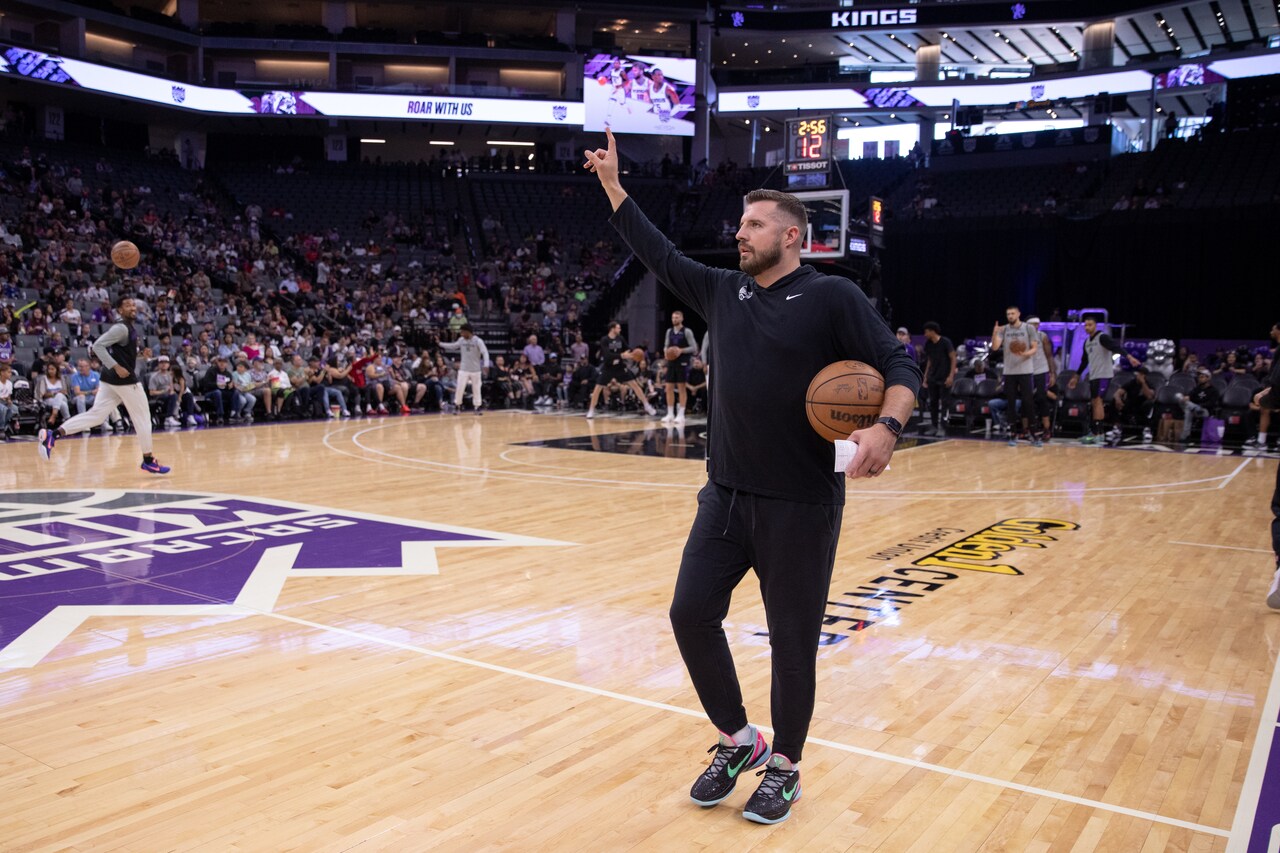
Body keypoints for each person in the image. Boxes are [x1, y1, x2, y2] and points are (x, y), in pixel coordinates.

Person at [584, 128, 921, 825]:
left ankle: (787, 767)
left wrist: (886, 427)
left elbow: (899, 365)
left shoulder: (832, 297)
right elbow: (657, 251)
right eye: (740, 221)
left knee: (792, 641)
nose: (740, 233)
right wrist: (614, 185)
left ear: (792, 236)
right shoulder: (721, 290)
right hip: (726, 495)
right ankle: (739, 739)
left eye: (755, 223)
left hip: (801, 504)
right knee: (689, 612)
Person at [37, 296, 171, 474]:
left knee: (96, 416)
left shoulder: (128, 327)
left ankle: (53, 435)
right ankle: (148, 460)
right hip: (123, 380)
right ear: (119, 310)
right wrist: (116, 366)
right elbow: (97, 346)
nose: (132, 307)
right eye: (127, 305)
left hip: (110, 381)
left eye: (133, 304)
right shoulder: (120, 327)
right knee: (143, 419)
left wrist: (139, 356)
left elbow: (121, 352)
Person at [1077, 315, 1141, 444]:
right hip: (1094, 375)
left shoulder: (1103, 337)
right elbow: (1084, 361)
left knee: (1098, 401)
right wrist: (1077, 375)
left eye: (1090, 324)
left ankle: (1098, 433)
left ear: (1095, 325)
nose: (1087, 327)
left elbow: (1116, 347)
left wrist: (1129, 357)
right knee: (1094, 402)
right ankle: (1095, 432)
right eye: (1086, 325)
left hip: (1103, 374)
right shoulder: (1087, 342)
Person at [991, 306, 1041, 447]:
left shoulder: (1028, 328)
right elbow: (995, 347)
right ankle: (1013, 433)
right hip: (1010, 371)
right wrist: (994, 333)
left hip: (1025, 370)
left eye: (1013, 313)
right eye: (1008, 314)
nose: (1010, 316)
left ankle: (1034, 434)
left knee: (1028, 402)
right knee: (1011, 403)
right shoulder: (1004, 329)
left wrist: (1026, 354)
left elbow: (1035, 348)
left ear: (1018, 314)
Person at [585, 322, 655, 419]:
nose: (620, 330)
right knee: (597, 388)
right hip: (608, 367)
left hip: (620, 367)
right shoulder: (604, 340)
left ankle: (647, 406)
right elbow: (607, 356)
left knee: (635, 385)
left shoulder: (620, 338)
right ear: (612, 329)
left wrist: (635, 353)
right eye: (618, 328)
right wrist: (621, 355)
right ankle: (591, 410)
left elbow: (628, 349)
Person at [438, 323, 490, 414]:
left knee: (476, 388)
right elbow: (453, 346)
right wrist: (440, 343)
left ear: (468, 332)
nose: (461, 334)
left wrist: (486, 365)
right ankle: (457, 405)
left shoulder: (478, 341)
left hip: (476, 369)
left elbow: (485, 352)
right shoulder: (461, 340)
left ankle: (477, 407)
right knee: (460, 388)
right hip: (464, 369)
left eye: (462, 332)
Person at [661, 310, 699, 424]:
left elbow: (694, 348)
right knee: (668, 388)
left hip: (683, 362)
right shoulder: (669, 331)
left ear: (681, 319)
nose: (674, 319)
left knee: (682, 387)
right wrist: (666, 352)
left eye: (677, 318)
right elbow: (666, 346)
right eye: (673, 318)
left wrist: (680, 350)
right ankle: (670, 414)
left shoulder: (687, 331)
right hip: (671, 362)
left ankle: (681, 414)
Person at [920, 321, 955, 436]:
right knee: (933, 403)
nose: (925, 334)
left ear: (932, 331)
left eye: (926, 332)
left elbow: (953, 359)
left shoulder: (945, 342)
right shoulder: (928, 344)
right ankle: (934, 426)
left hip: (944, 377)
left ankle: (943, 427)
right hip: (933, 378)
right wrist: (925, 377)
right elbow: (929, 361)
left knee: (945, 403)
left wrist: (951, 376)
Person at [1026, 316, 1056, 441]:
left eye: (1037, 324)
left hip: (1042, 371)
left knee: (1041, 398)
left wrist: (1052, 373)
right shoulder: (1022, 338)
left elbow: (1049, 356)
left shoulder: (1042, 336)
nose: (1036, 326)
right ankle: (1030, 429)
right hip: (1027, 371)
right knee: (1028, 401)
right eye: (1033, 324)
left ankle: (1046, 429)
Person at [1174, 368, 1220, 444]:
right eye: (1199, 377)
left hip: (1205, 410)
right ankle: (1194, 407)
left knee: (1188, 411)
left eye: (1202, 377)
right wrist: (1185, 398)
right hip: (1194, 409)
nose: (1200, 379)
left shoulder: (1214, 390)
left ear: (1208, 378)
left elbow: (1211, 404)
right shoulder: (1197, 388)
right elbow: (1190, 397)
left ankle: (1185, 436)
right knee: (1179, 397)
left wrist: (1199, 406)